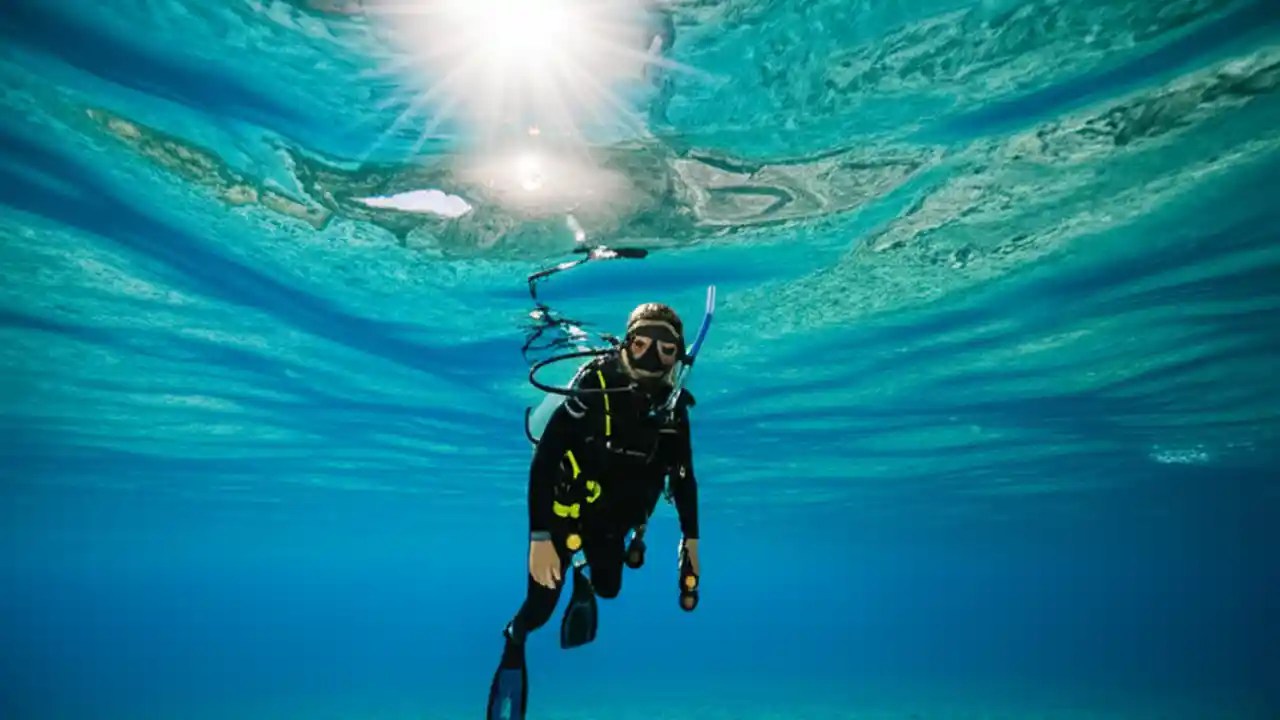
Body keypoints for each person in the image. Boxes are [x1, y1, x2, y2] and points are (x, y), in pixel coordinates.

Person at [487, 302, 703, 720]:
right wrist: (539, 539)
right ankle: (514, 639)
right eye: (641, 345)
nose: (651, 360)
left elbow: (684, 477)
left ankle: (584, 580)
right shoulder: (594, 385)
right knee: (539, 609)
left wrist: (691, 539)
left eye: (665, 350)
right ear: (625, 345)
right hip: (564, 514)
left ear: (679, 355)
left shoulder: (674, 407)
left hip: (616, 522)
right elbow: (545, 460)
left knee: (610, 589)